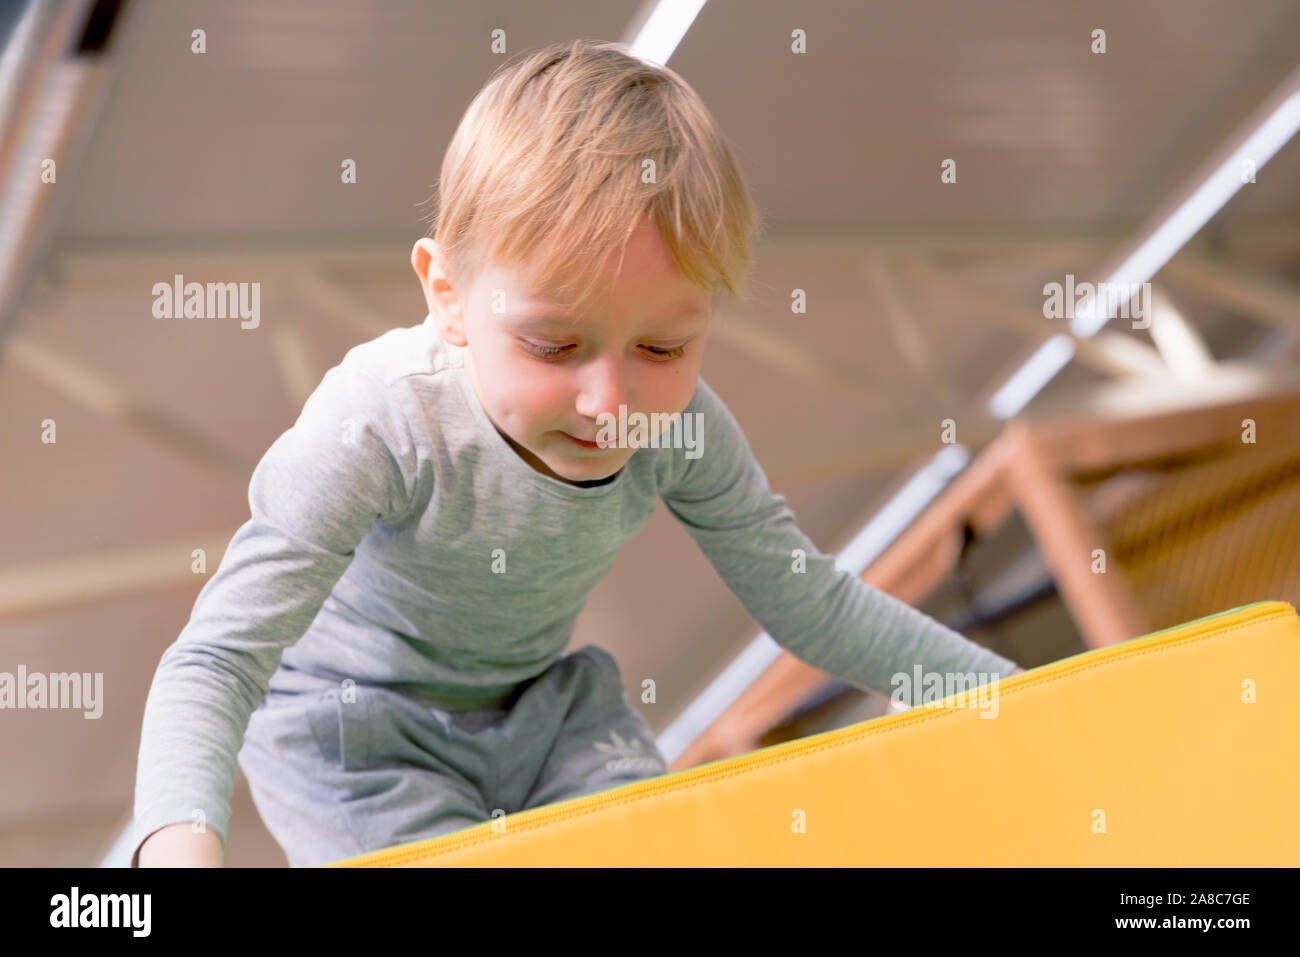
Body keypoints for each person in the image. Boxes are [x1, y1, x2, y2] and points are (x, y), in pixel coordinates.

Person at [132, 38, 1022, 868]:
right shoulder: (379, 423)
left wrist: (1019, 702)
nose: (611, 404)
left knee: (658, 840)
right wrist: (176, 848)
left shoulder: (681, 430)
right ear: (447, 295)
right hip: (353, 741)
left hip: (547, 712)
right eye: (555, 347)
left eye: (664, 349)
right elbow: (216, 660)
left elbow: (811, 603)